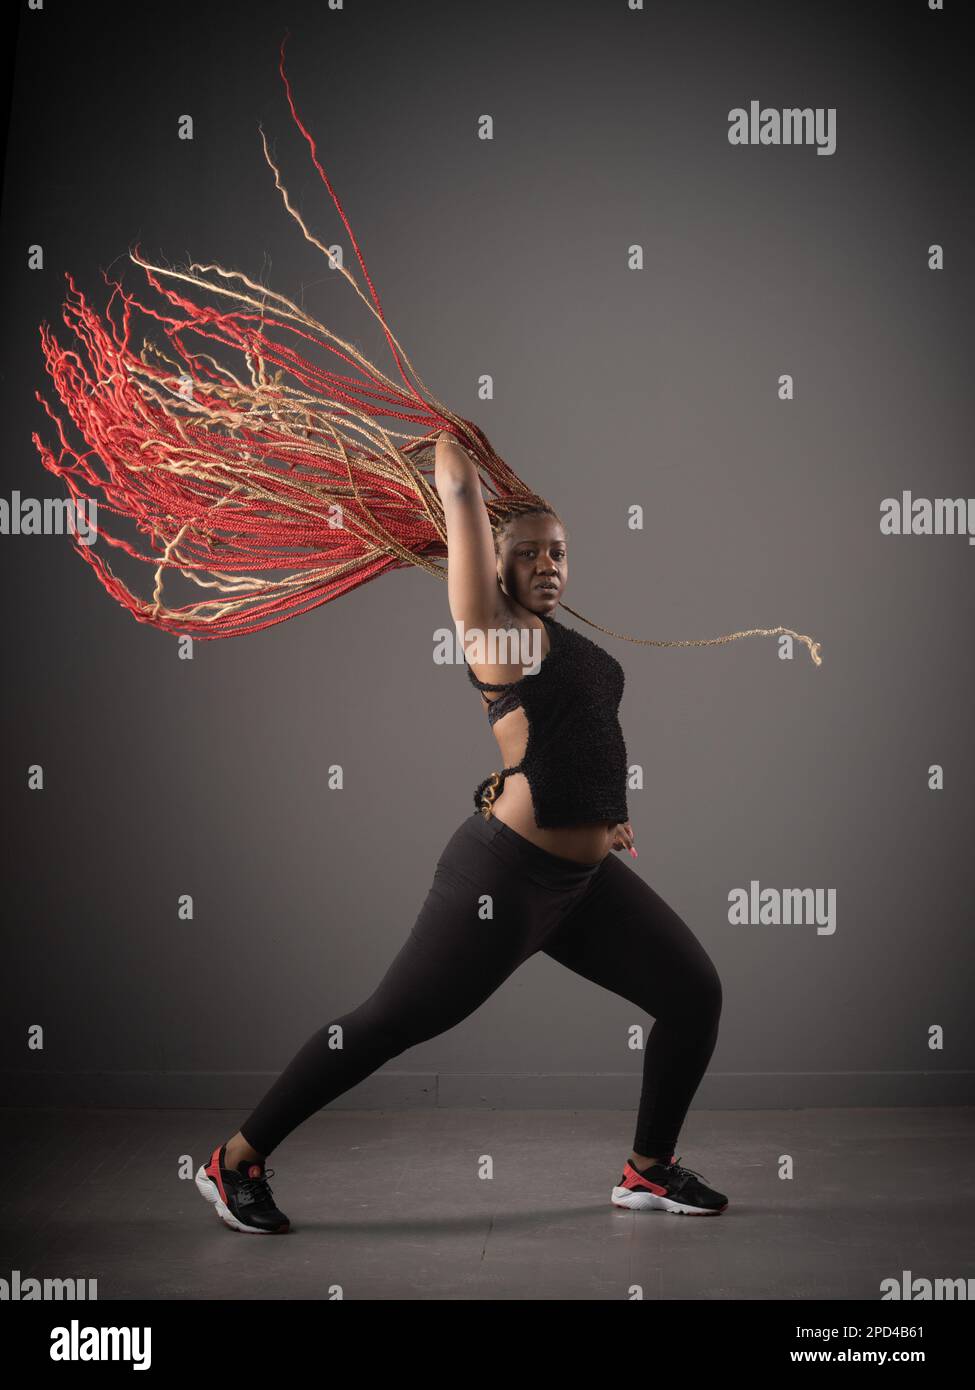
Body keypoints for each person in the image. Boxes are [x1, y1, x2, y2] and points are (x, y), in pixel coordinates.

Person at [195, 432, 728, 1234]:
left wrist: (606, 810)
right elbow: (460, 501)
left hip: (581, 883)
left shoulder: (563, 642)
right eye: (527, 554)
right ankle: (234, 1160)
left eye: (559, 553)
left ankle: (647, 1172)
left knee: (692, 994)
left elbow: (574, 730)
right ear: (493, 565)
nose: (547, 565)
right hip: (502, 879)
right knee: (389, 1023)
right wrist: (453, 456)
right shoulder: (493, 630)